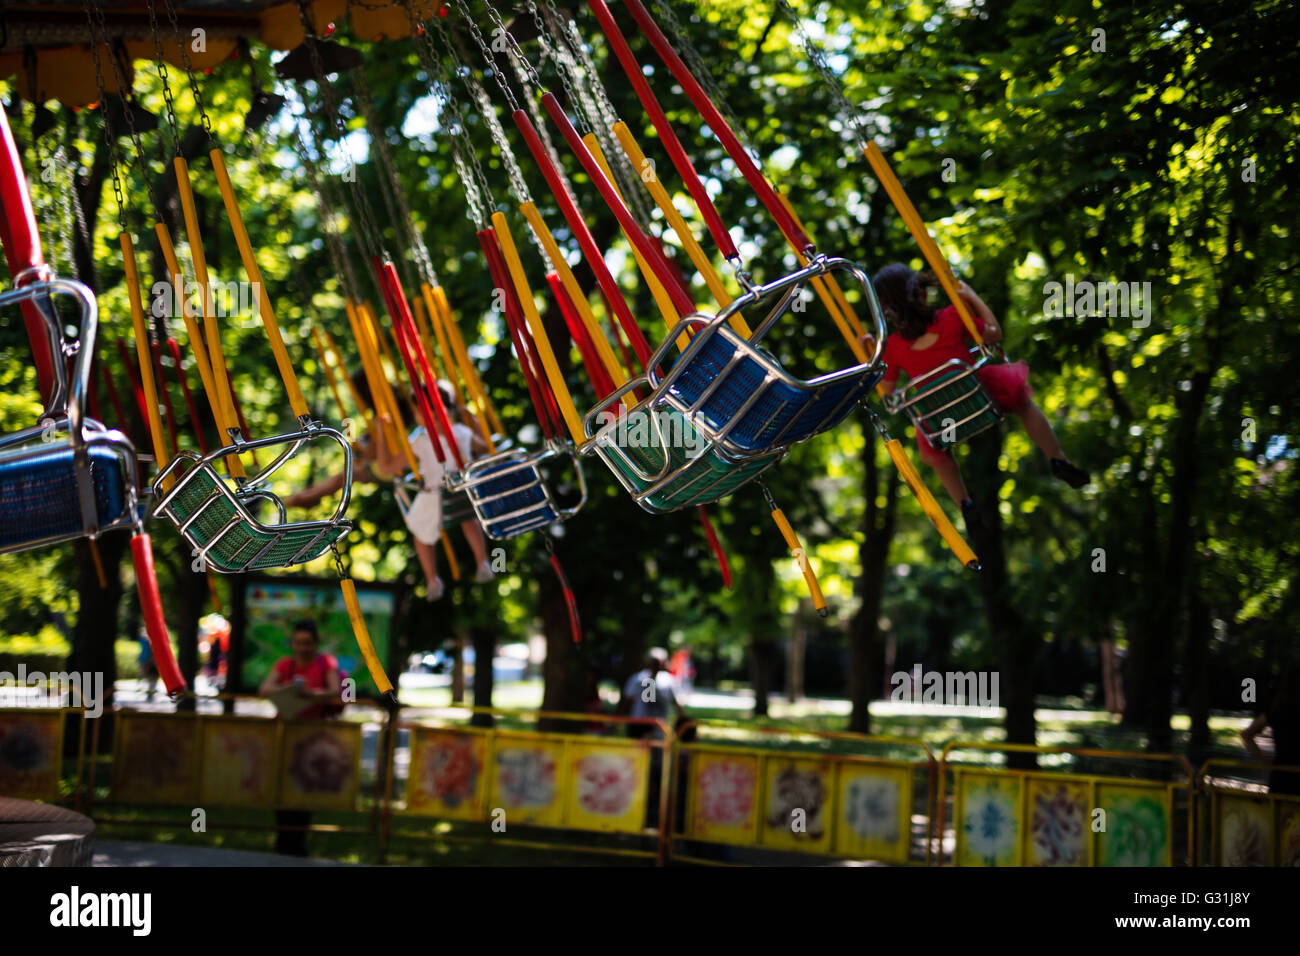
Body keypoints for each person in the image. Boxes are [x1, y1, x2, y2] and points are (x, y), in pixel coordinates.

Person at [864, 265, 1089, 525]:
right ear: (921, 293)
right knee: (1022, 402)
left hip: (942, 420)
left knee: (936, 452)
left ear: (887, 310)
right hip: (981, 399)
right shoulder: (952, 317)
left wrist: (872, 355)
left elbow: (887, 394)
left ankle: (965, 504)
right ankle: (1057, 458)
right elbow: (995, 334)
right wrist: (970, 297)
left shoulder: (893, 346)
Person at [286, 375, 494, 602]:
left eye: (419, 413)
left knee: (420, 534)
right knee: (469, 518)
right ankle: (482, 560)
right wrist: (474, 422)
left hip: (434, 495)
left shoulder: (420, 441)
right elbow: (486, 448)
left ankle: (433, 578)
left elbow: (385, 468)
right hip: (460, 491)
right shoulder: (462, 433)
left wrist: (381, 434)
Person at [259, 619, 343, 856]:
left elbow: (335, 691)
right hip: (286, 737)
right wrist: (290, 692)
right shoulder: (285, 665)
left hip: (313, 741)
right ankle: (283, 844)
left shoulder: (326, 663)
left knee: (304, 793)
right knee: (283, 792)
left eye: (307, 643)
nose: (302, 648)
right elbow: (265, 689)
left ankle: (297, 845)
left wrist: (310, 695)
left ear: (315, 643)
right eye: (298, 642)